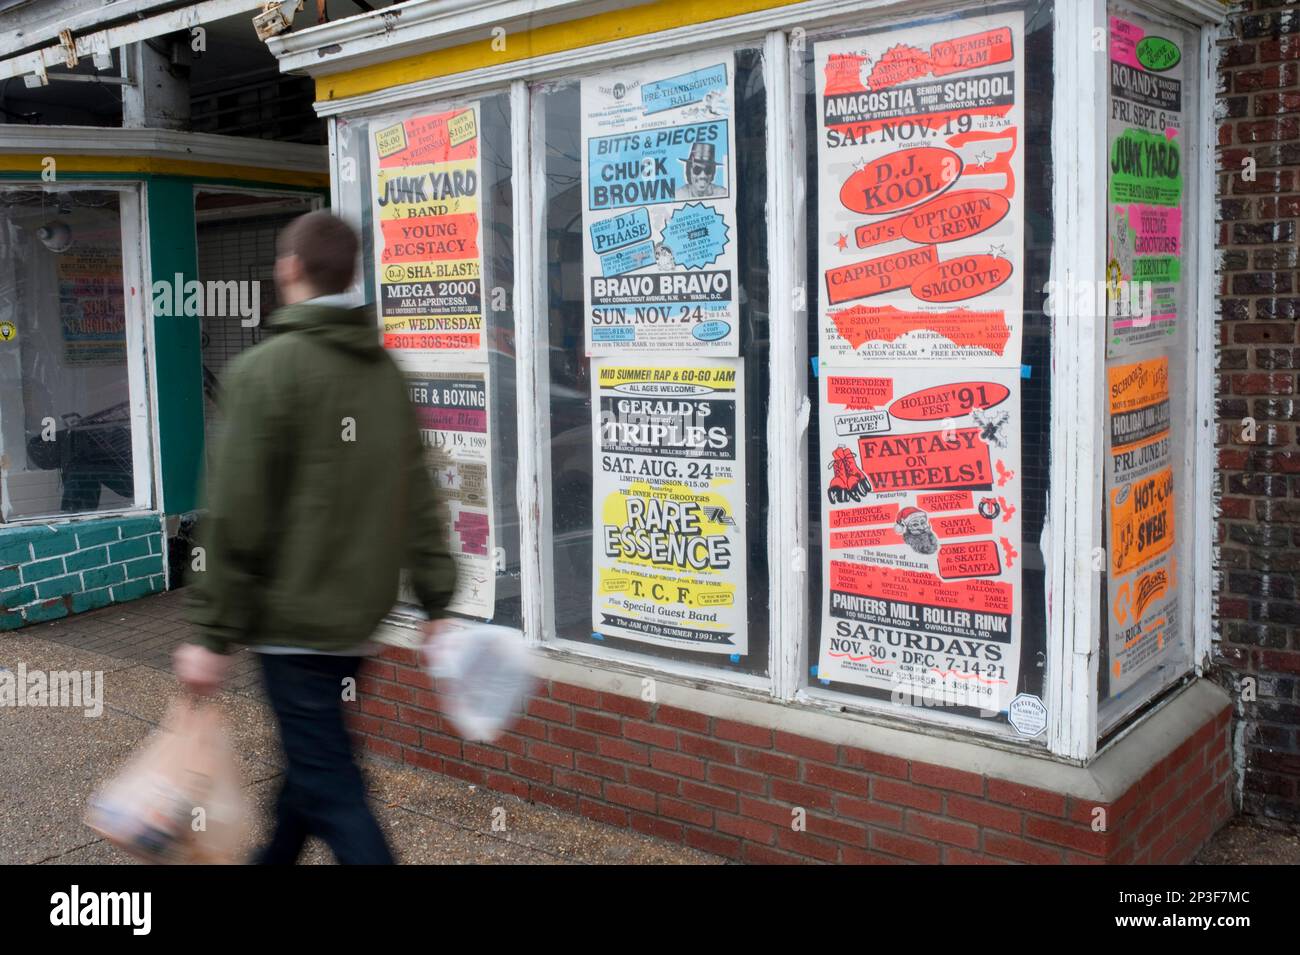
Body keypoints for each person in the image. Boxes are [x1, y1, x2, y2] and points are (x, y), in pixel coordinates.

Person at [173, 211, 457, 865]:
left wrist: (212, 631)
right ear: (349, 272)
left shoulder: (262, 372)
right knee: (311, 766)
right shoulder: (383, 372)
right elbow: (418, 494)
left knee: (331, 787)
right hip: (355, 622)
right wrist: (438, 597)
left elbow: (236, 515)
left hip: (292, 625)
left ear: (291, 269)